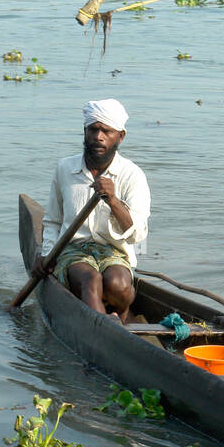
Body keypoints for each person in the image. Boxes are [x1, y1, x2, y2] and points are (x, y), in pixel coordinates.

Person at [41, 99, 151, 323]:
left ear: (120, 137)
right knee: (91, 280)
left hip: (114, 252)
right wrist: (45, 255)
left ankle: (116, 313)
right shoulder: (65, 168)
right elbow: (52, 221)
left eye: (106, 131)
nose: (98, 137)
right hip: (73, 251)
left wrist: (112, 200)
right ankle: (106, 328)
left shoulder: (132, 175)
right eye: (93, 129)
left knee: (118, 285)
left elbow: (137, 235)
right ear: (85, 131)